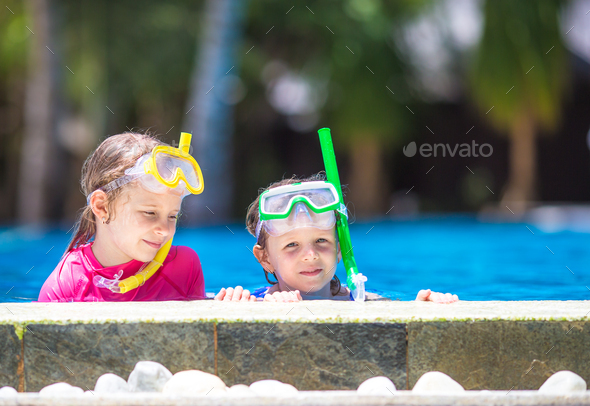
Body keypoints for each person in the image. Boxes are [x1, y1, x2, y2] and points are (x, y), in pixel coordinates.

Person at [215, 175, 459, 303]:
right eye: (292, 245)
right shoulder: (255, 302)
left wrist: (422, 305)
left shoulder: (365, 300)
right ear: (265, 257)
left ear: (341, 247)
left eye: (321, 241)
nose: (310, 255)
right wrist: (231, 303)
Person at [38, 132, 206, 302]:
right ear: (102, 206)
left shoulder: (184, 268)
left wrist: (229, 304)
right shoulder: (66, 287)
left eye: (172, 216)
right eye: (150, 213)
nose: (164, 230)